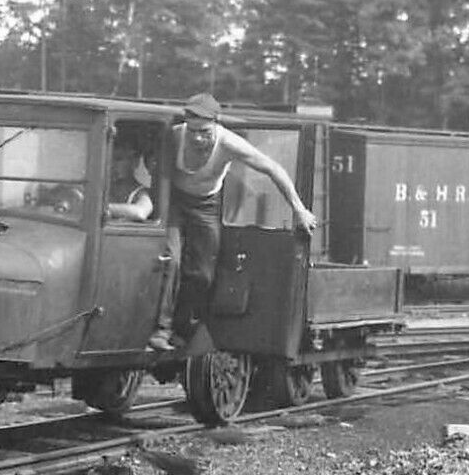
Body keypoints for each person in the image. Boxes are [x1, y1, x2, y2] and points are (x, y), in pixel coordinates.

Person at [148, 93, 317, 351]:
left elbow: (274, 169)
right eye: (192, 131)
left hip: (206, 206)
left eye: (204, 132)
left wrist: (299, 209)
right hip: (175, 202)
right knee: (172, 259)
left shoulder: (229, 144)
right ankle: (161, 330)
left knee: (203, 273)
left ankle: (183, 330)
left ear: (216, 124)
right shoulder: (174, 136)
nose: (197, 138)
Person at [105, 139, 154, 222]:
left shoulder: (140, 192)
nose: (112, 164)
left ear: (135, 162)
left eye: (118, 159)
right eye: (109, 159)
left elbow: (140, 212)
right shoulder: (104, 190)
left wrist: (103, 208)